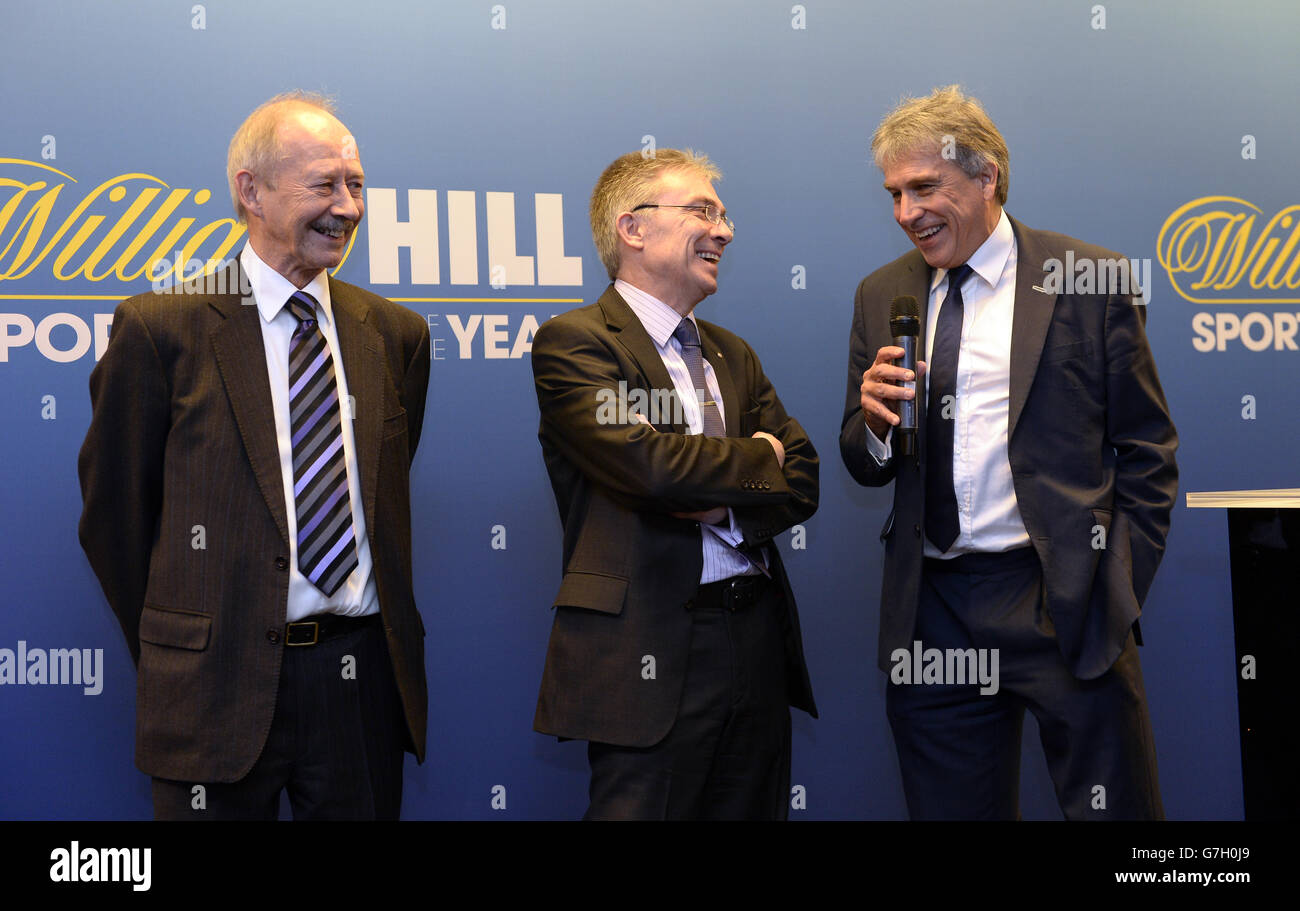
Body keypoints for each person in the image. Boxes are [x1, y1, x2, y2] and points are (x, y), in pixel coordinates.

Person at [77, 91, 430, 820]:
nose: (349, 206)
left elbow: (379, 490)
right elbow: (116, 517)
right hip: (213, 686)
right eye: (324, 185)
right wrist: (189, 642)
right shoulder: (160, 329)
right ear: (251, 191)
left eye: (356, 184)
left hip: (358, 680)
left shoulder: (395, 334)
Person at [839, 86, 1178, 819]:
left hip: (1063, 600)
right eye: (894, 193)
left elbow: (1149, 451)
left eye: (925, 186)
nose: (906, 213)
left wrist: (1112, 591)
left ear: (987, 175)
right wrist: (871, 423)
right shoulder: (880, 294)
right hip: (933, 613)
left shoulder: (1088, 280)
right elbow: (863, 460)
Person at [531, 149, 819, 820]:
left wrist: (718, 487)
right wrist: (756, 461)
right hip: (646, 650)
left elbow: (801, 477)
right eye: (702, 211)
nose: (724, 231)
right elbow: (648, 469)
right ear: (634, 229)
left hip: (753, 639)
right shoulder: (574, 344)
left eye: (723, 215)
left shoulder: (732, 351)